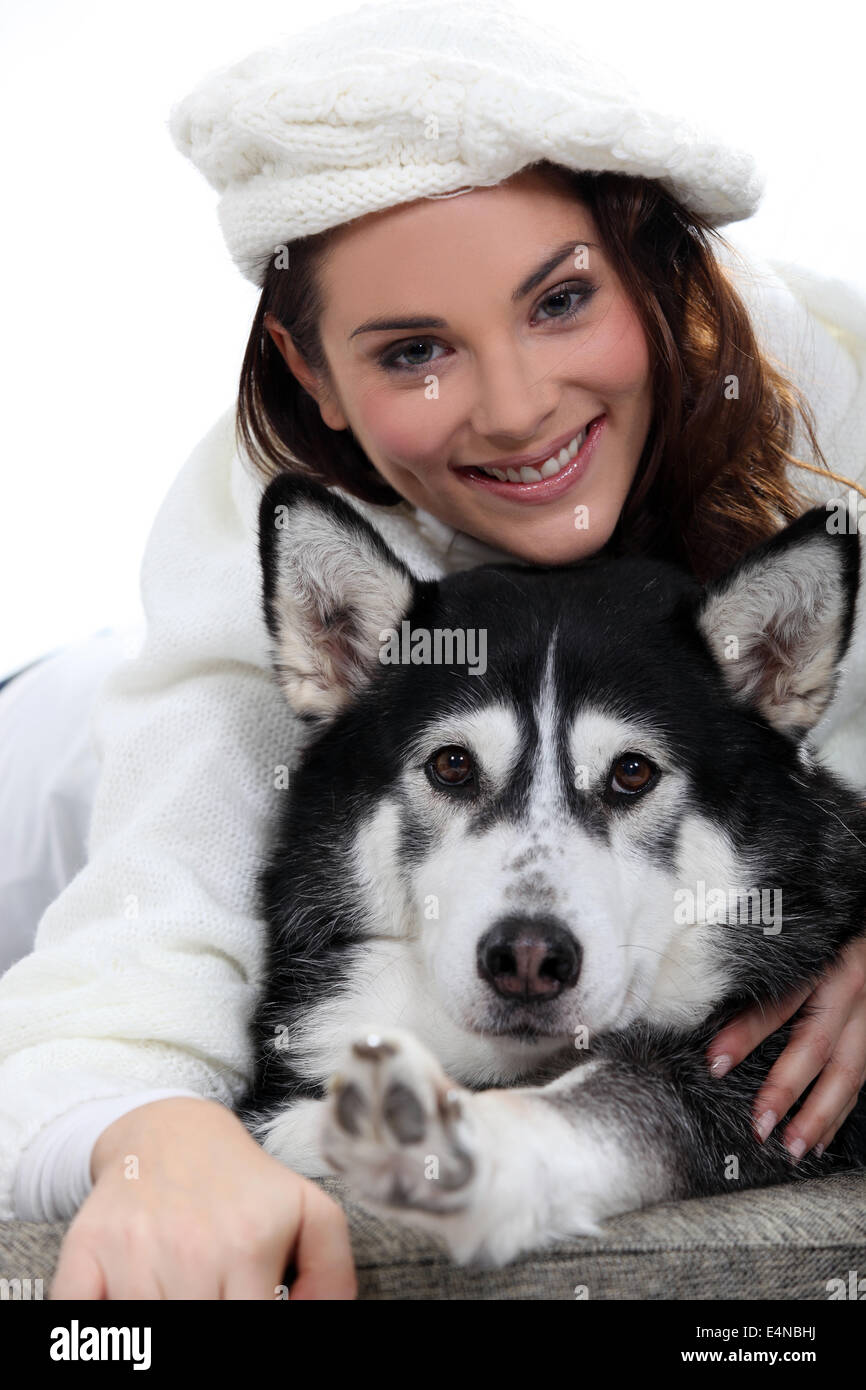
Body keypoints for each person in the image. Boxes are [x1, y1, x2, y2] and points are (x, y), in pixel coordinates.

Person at [1, 0, 865, 1301]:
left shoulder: (824, 412)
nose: (516, 409)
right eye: (413, 351)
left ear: (653, 270)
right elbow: (142, 942)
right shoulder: (258, 532)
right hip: (59, 769)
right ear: (314, 371)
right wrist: (150, 1130)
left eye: (561, 300)